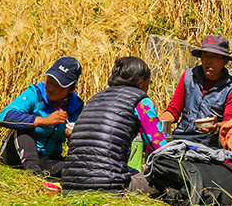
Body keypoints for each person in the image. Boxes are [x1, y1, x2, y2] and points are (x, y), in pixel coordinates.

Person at [61, 56, 165, 194]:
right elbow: (158, 148)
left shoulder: (95, 98)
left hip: (69, 186)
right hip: (109, 187)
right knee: (162, 181)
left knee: (132, 171)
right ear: (141, 81)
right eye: (149, 82)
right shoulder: (141, 101)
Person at [0, 56, 84, 179]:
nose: (51, 88)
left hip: (48, 160)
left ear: (72, 89)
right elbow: (4, 116)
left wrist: (72, 139)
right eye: (50, 81)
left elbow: (83, 144)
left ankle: (42, 174)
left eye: (59, 86)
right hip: (15, 155)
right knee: (25, 127)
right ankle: (35, 175)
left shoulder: (77, 107)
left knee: (76, 169)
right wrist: (44, 121)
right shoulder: (35, 93)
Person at [159, 35, 232, 147]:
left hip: (211, 141)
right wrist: (150, 124)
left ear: (225, 61)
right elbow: (173, 111)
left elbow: (230, 123)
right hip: (182, 137)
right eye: (205, 56)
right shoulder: (188, 77)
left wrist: (216, 127)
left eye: (215, 57)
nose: (209, 60)